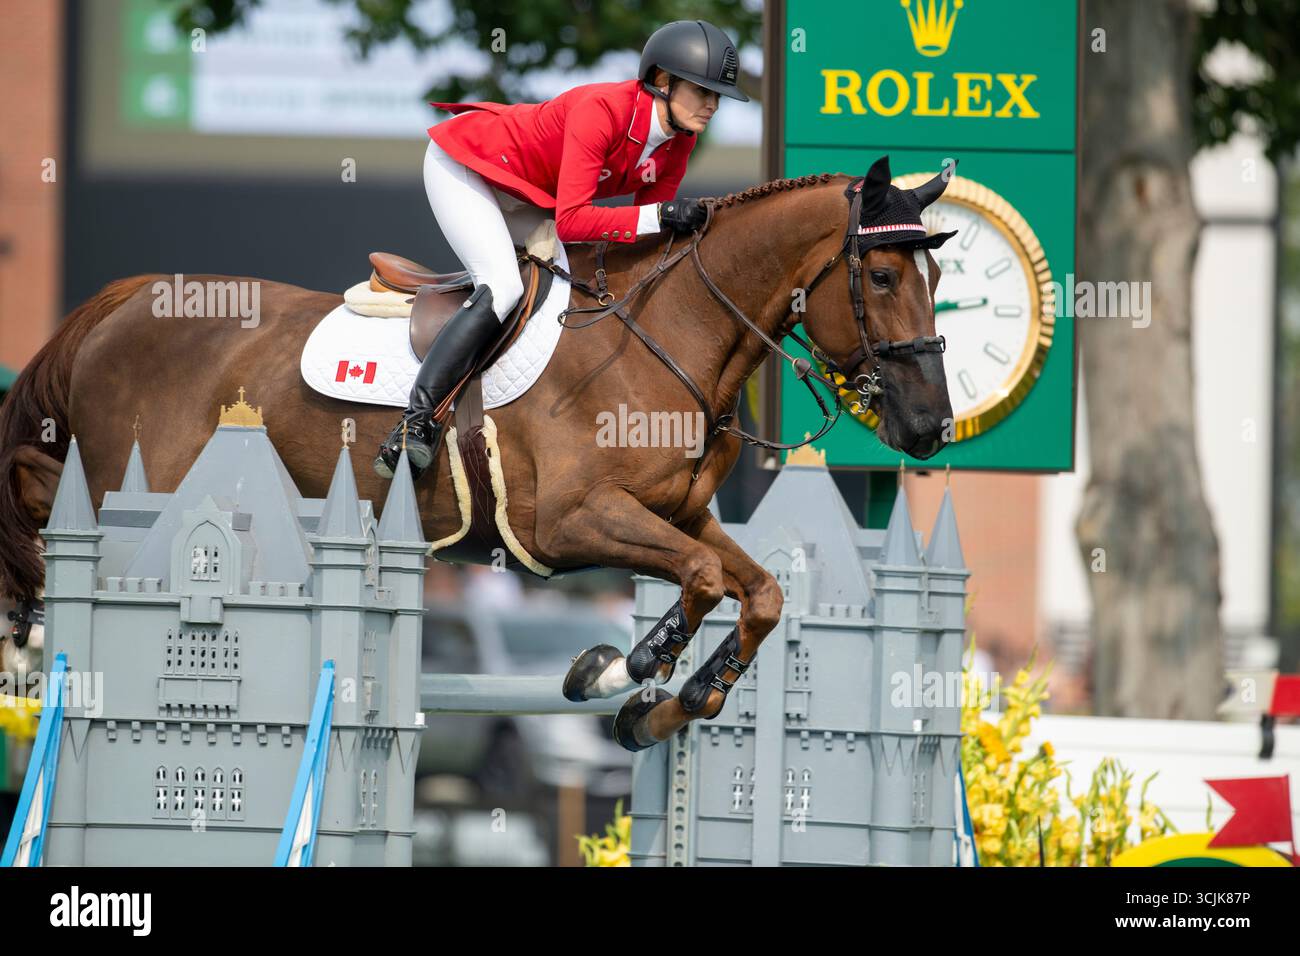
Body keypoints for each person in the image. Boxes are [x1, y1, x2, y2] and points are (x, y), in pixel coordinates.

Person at [374, 19, 749, 480]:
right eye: (703, 91)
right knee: (505, 286)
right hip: (470, 167)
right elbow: (575, 222)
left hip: (528, 196)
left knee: (568, 294)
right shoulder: (602, 111)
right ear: (663, 82)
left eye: (718, 96)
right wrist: (661, 217)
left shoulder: (679, 141)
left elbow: (651, 237)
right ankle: (415, 425)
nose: (713, 105)